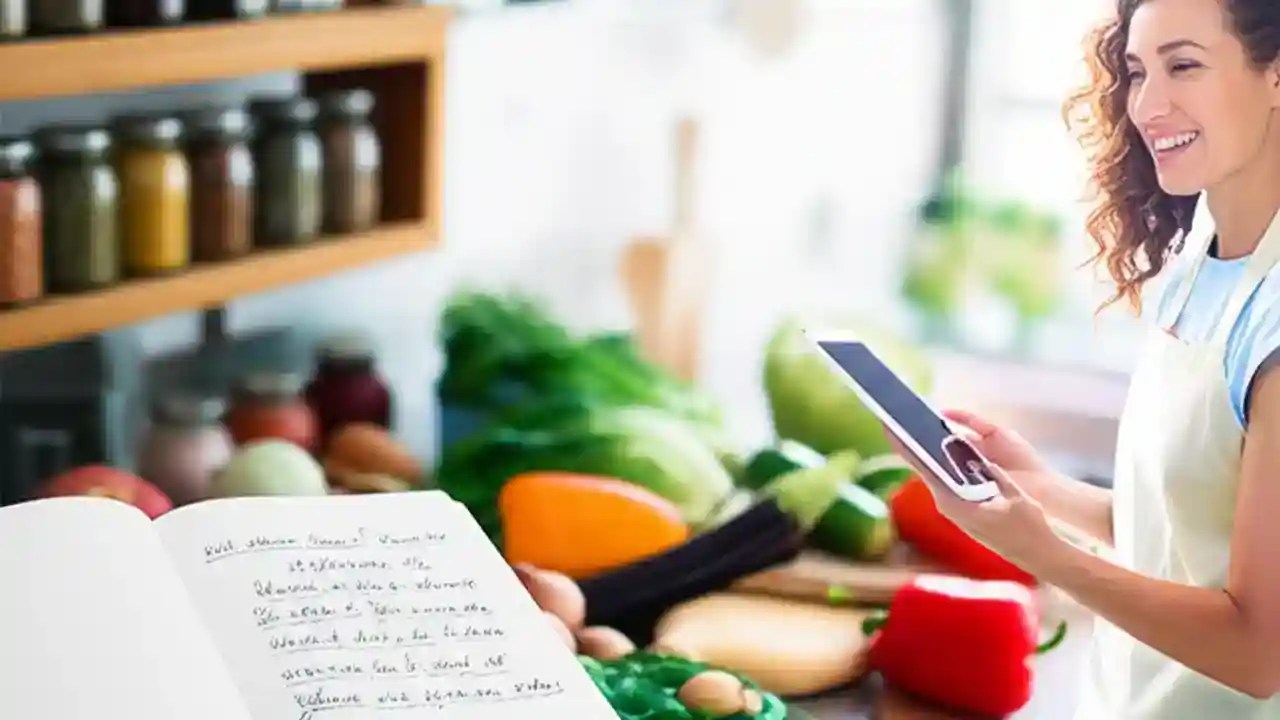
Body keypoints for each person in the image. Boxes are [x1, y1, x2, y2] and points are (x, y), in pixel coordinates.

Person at [889, 0, 1280, 718]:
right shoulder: (1197, 262)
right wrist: (1036, 485)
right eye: (1136, 71)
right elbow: (1185, 530)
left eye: (1184, 65)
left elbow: (1259, 652)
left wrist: (1042, 553)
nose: (1149, 105)